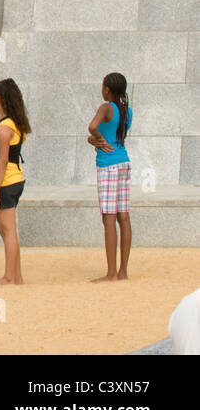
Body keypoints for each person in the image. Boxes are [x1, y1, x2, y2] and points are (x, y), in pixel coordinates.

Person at [88, 72, 132, 283]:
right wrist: (95, 139)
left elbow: (92, 127)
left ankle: (111, 273)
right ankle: (123, 271)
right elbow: (111, 134)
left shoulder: (105, 107)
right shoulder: (127, 111)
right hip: (124, 162)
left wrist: (96, 138)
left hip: (107, 166)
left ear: (107, 89)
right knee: (124, 216)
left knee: (109, 218)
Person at [0, 78, 30, 287]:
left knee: (7, 229)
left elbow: (2, 160)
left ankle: (9, 277)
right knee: (7, 230)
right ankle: (17, 276)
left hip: (6, 182)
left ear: (1, 99)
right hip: (12, 179)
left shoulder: (5, 128)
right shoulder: (13, 124)